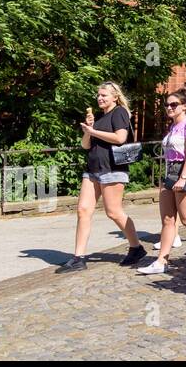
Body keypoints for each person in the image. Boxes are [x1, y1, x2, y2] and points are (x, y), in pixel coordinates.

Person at [60, 81, 146, 272]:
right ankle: (78, 258)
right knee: (83, 210)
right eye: (98, 95)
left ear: (115, 97)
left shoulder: (119, 113)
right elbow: (85, 145)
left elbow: (120, 138)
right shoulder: (98, 117)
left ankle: (136, 247)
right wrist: (88, 131)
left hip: (112, 168)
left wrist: (94, 131)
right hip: (92, 168)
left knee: (113, 212)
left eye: (104, 95)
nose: (100, 98)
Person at [138, 91, 186, 274]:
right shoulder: (173, 127)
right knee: (167, 219)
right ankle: (161, 261)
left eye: (174, 104)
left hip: (183, 173)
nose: (169, 108)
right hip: (169, 172)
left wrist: (183, 177)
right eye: (167, 105)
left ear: (185, 105)